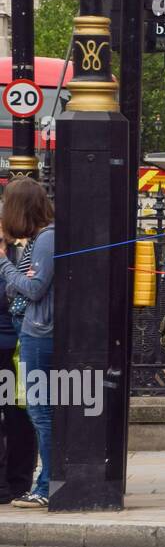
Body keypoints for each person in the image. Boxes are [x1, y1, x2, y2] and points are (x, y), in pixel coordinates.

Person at [0, 178, 56, 509]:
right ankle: (45, 480)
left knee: (40, 411)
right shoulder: (36, 240)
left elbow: (33, 289)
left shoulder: (47, 239)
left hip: (39, 332)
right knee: (38, 410)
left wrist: (4, 263)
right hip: (31, 331)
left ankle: (47, 483)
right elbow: (19, 287)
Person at [0, 211, 36, 505]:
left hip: (12, 345)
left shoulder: (18, 255)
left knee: (19, 416)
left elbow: (17, 294)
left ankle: (18, 483)